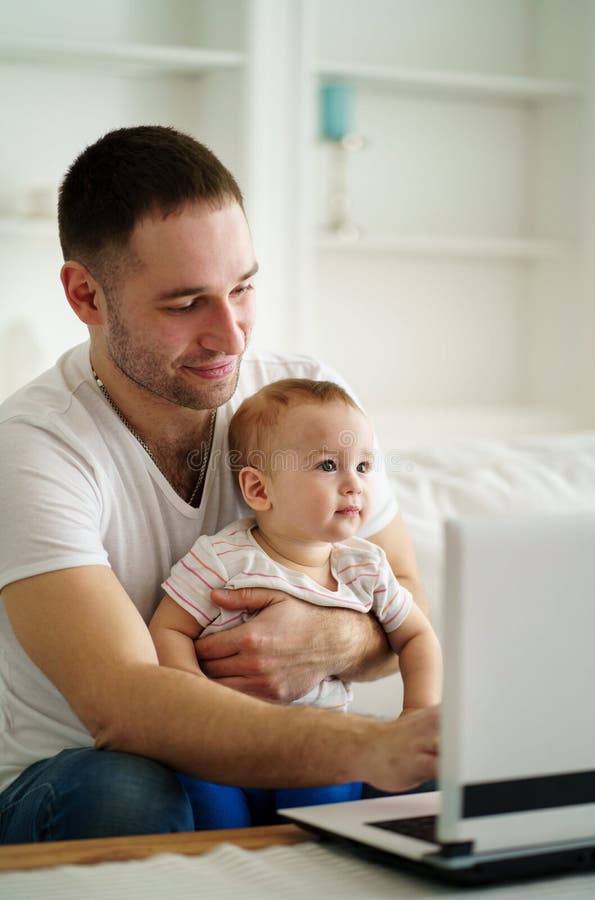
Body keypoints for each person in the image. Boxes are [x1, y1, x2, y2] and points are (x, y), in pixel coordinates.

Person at [0, 125, 438, 844]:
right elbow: (123, 705)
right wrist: (365, 746)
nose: (231, 336)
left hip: (290, 747)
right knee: (129, 792)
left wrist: (332, 640)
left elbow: (406, 591)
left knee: (467, 772)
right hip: (79, 773)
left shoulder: (304, 401)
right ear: (86, 296)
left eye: (242, 288)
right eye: (185, 305)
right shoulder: (33, 446)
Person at [149, 377, 442, 828]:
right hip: (222, 751)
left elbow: (418, 635)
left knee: (325, 812)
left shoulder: (366, 568)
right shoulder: (223, 558)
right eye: (328, 465)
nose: (354, 484)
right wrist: (195, 700)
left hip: (316, 749)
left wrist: (416, 714)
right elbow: (169, 629)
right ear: (259, 489)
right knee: (210, 812)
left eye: (364, 466)